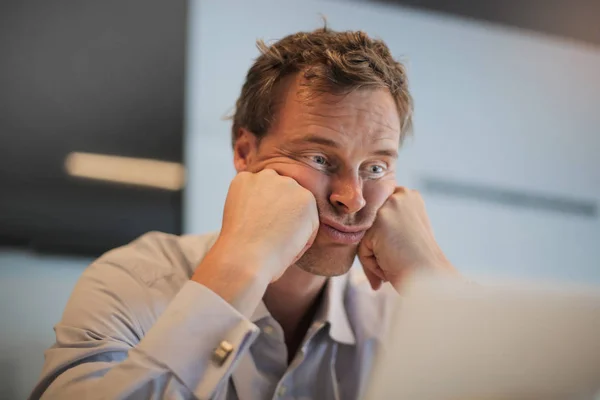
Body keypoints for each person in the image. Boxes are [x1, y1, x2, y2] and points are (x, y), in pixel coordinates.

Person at [30, 27, 456, 400]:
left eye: (376, 167)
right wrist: (241, 265)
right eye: (320, 159)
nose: (354, 198)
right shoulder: (131, 282)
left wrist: (438, 285)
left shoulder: (400, 314)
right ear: (244, 151)